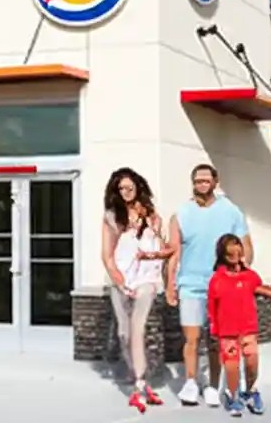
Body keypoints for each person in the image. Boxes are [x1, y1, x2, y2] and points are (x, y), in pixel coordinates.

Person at [166, 163, 253, 407]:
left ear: (215, 182)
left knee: (216, 340)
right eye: (197, 181)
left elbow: (246, 248)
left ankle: (213, 386)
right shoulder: (181, 214)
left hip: (221, 286)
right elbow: (173, 253)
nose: (201, 185)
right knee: (191, 339)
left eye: (206, 180)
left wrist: (241, 277)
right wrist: (170, 284)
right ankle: (191, 383)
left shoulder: (231, 212)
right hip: (190, 285)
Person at [101, 167, 173, 413]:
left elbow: (164, 249)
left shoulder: (152, 216)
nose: (125, 192)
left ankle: (139, 384)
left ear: (138, 187)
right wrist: (119, 280)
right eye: (121, 188)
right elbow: (107, 256)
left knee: (137, 328)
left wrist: (165, 276)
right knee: (124, 333)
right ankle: (138, 377)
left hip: (146, 279)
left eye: (129, 187)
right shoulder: (112, 217)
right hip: (122, 278)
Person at [207, 233, 271, 416]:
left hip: (248, 329)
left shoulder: (249, 276)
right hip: (227, 332)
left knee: (252, 363)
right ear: (223, 256)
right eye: (231, 255)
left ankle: (250, 391)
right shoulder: (217, 280)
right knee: (232, 366)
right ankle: (232, 395)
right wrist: (214, 329)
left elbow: (260, 288)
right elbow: (211, 307)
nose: (236, 259)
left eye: (238, 254)